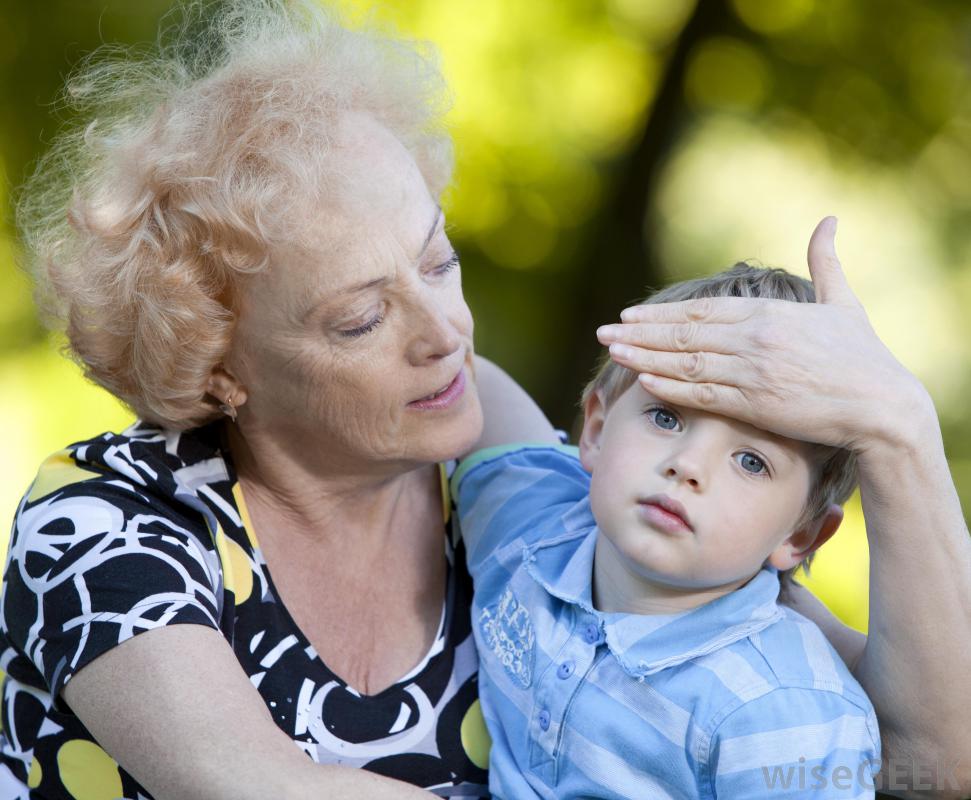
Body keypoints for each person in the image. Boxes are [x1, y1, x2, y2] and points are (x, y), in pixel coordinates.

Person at [1, 1, 968, 798]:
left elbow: (928, 758)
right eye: (357, 320)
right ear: (220, 368)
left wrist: (895, 429)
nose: (445, 334)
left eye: (438, 260)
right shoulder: (104, 521)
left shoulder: (533, 490)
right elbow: (253, 788)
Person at [451, 264, 879, 799]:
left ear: (801, 534)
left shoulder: (781, 711)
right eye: (667, 418)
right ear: (598, 430)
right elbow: (463, 374)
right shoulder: (526, 525)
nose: (688, 464)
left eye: (750, 461)